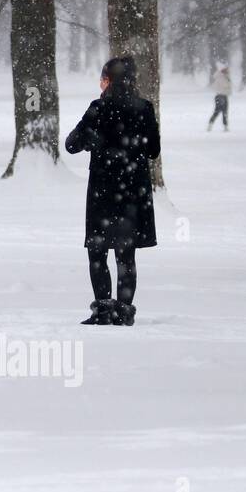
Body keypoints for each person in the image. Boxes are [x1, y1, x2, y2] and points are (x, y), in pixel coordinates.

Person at [64, 56, 161, 326]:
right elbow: (153, 150)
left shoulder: (98, 107)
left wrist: (92, 140)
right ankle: (124, 310)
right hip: (133, 190)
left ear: (109, 80)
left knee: (98, 251)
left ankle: (103, 309)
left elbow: (71, 144)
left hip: (103, 190)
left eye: (103, 78)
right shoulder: (144, 108)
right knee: (125, 254)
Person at [207, 64, 232, 131]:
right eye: (225, 69)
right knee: (218, 112)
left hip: (224, 96)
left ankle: (225, 126)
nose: (227, 70)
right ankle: (211, 124)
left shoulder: (225, 76)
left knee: (224, 112)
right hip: (220, 96)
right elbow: (225, 86)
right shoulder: (220, 77)